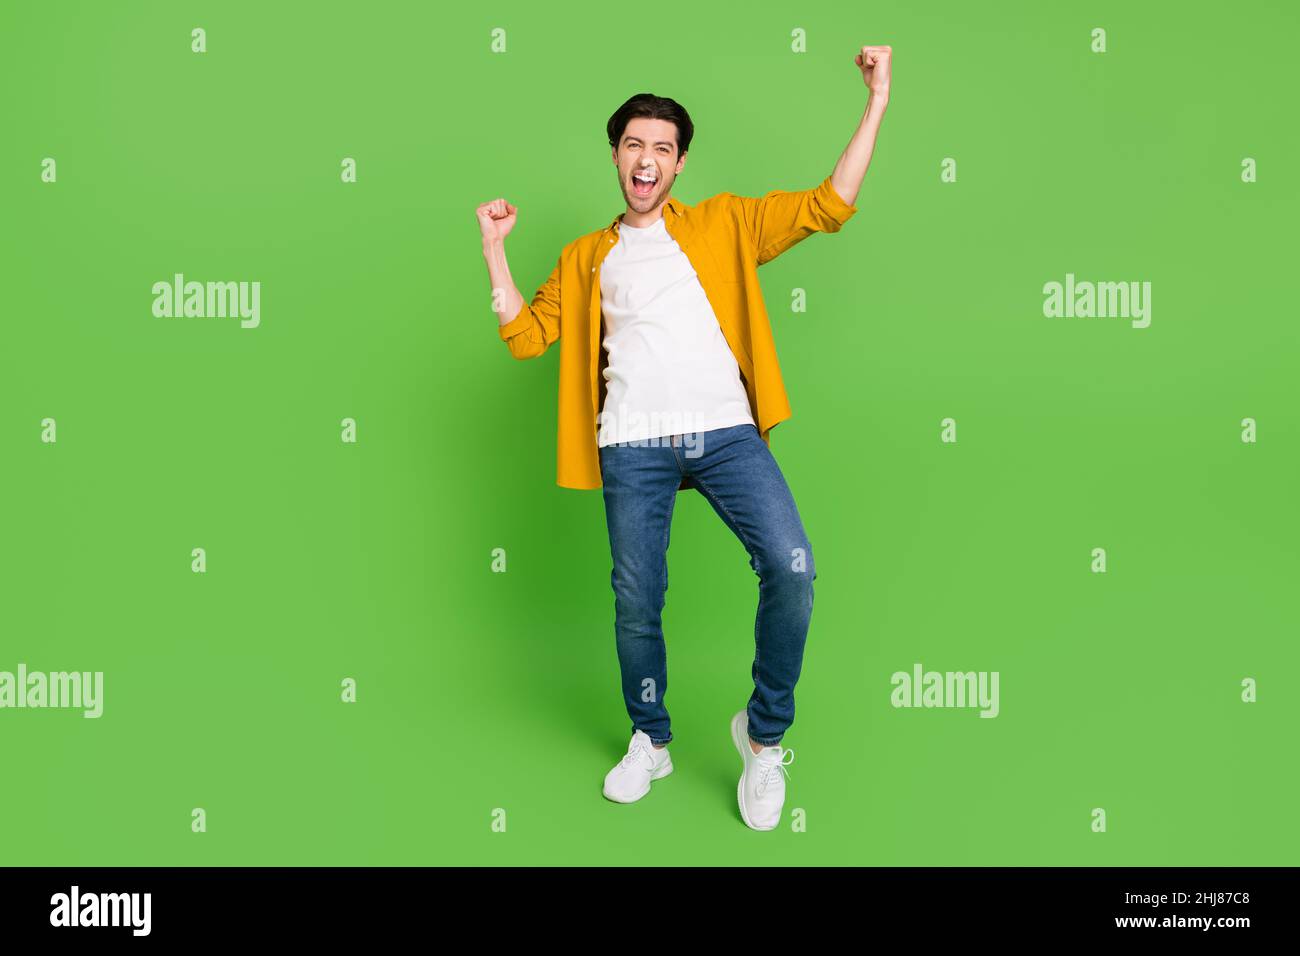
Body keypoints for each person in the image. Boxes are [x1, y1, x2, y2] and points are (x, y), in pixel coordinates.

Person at [477, 46, 891, 831]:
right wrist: (495, 249)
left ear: (680, 164)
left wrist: (876, 101)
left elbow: (829, 204)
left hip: (727, 434)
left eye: (663, 148)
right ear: (616, 155)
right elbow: (527, 337)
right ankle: (651, 738)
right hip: (631, 442)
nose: (647, 159)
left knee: (791, 567)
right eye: (635, 143)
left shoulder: (726, 223)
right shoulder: (585, 257)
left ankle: (762, 740)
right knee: (637, 601)